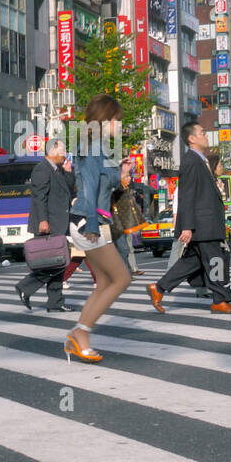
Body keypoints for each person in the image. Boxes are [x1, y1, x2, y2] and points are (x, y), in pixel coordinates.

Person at [64, 94, 133, 362]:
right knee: (121, 278)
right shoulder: (92, 146)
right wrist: (92, 225)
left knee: (105, 281)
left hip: (91, 220)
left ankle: (79, 335)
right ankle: (80, 334)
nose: (120, 126)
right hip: (87, 221)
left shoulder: (98, 145)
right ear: (105, 120)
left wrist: (121, 171)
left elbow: (104, 182)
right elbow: (90, 188)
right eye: (117, 120)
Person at [148, 123, 231, 314]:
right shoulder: (191, 161)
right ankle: (220, 300)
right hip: (203, 224)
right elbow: (187, 195)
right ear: (192, 138)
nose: (206, 135)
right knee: (216, 260)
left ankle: (158, 288)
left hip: (204, 223)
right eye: (203, 132)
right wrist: (187, 226)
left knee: (192, 262)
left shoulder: (200, 160)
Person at [16, 139, 74, 313]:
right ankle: (26, 287)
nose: (65, 154)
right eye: (63, 150)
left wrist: (69, 172)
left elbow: (69, 189)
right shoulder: (42, 169)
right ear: (53, 151)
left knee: (58, 262)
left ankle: (55, 302)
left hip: (57, 221)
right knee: (52, 261)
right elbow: (39, 197)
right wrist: (43, 220)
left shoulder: (58, 170)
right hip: (48, 223)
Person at [110, 171, 144, 275]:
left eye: (130, 176)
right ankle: (125, 272)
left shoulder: (128, 189)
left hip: (126, 223)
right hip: (117, 223)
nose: (129, 178)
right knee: (122, 248)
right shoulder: (116, 189)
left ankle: (131, 269)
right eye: (126, 176)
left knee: (127, 248)